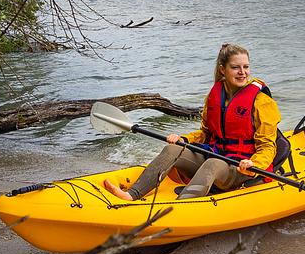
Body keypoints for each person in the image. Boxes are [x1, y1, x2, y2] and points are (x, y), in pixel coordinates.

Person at [103, 43, 284, 201]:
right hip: (216, 154)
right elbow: (206, 133)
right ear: (223, 69)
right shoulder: (215, 96)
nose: (242, 72)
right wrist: (185, 139)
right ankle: (132, 194)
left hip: (242, 168)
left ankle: (182, 206)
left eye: (246, 67)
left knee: (212, 164)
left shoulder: (262, 102)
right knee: (173, 149)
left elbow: (268, 146)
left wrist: (254, 165)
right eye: (236, 67)